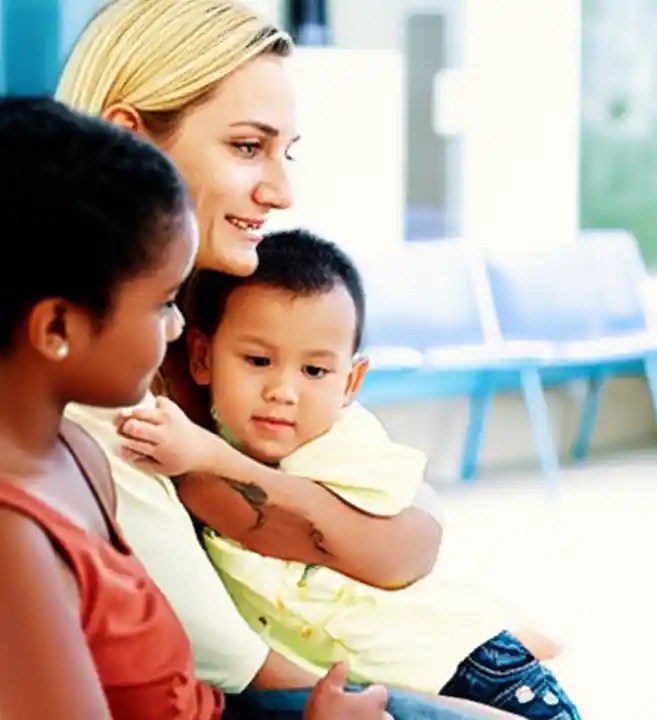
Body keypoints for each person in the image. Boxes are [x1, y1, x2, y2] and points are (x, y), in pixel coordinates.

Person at [56, 2, 496, 717]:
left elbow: (412, 528)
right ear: (126, 141)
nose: (282, 192)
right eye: (247, 147)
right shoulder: (92, 381)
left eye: (285, 152)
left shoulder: (242, 308)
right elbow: (230, 659)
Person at [0, 96, 391, 720]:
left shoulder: (74, 455)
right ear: (56, 328)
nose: (179, 328)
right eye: (161, 304)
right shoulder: (15, 543)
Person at [116, 229, 580, 720]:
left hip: (468, 670)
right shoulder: (209, 444)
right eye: (257, 361)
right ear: (202, 357)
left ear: (350, 383)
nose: (283, 391)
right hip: (377, 691)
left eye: (314, 372)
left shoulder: (341, 439)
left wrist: (206, 457)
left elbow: (357, 533)